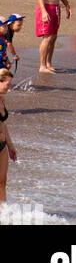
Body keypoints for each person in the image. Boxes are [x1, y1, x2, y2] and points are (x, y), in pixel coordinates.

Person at [0, 67, 18, 203]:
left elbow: (3, 124)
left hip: (2, 146)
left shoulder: (2, 99)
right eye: (7, 84)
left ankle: (3, 212)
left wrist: (11, 146)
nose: (9, 87)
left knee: (2, 182)